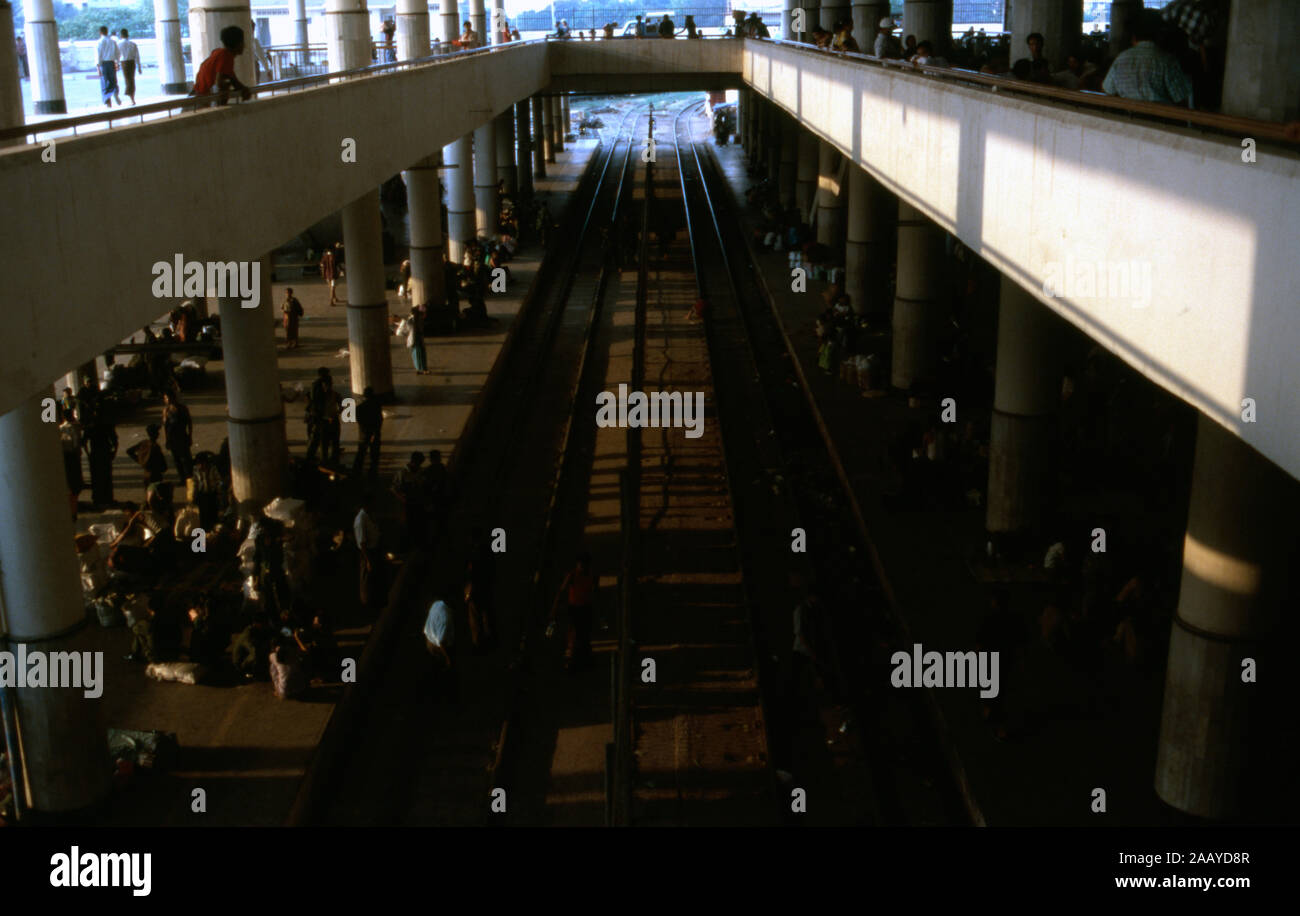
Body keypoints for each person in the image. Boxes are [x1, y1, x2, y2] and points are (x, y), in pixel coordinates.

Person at [1102, 12, 1194, 106]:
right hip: (1159, 119)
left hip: (1125, 117)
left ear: (1133, 37)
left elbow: (1108, 90)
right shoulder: (1167, 60)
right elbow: (1181, 98)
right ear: (1159, 34)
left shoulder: (1121, 58)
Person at [547, 552, 596, 672]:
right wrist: (555, 608)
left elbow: (595, 593)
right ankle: (571, 659)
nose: (582, 567)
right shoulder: (572, 575)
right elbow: (562, 592)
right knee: (572, 635)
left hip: (585, 609)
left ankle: (582, 660)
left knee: (583, 635)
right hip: (574, 609)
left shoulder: (591, 576)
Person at [190, 25, 252, 105]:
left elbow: (232, 79)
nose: (244, 45)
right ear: (238, 44)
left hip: (199, 95)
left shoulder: (219, 53)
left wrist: (243, 89)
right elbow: (220, 82)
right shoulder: (226, 56)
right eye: (243, 42)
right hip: (201, 99)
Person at [305, 367, 342, 465]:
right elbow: (315, 402)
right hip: (323, 419)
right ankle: (327, 459)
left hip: (324, 418)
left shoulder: (318, 386)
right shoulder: (320, 387)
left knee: (322, 440)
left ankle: (323, 459)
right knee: (324, 440)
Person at [391, 451, 427, 548]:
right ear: (413, 462)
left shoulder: (421, 472)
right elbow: (394, 489)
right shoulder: (402, 473)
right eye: (418, 463)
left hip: (418, 505)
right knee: (406, 526)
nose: (419, 466)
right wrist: (402, 498)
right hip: (406, 506)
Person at [354, 492, 383, 608]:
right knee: (366, 579)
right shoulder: (360, 519)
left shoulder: (369, 515)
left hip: (374, 550)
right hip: (367, 553)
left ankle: (373, 601)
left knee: (373, 579)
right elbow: (362, 542)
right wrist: (368, 560)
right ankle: (366, 604)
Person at [423, 598, 456, 696]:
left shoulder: (439, 604)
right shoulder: (445, 620)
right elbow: (441, 642)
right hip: (435, 645)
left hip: (429, 637)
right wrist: (448, 659)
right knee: (443, 668)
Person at [161, 391, 193, 483]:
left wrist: (190, 435)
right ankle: (182, 478)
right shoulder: (166, 411)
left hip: (182, 436)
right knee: (177, 460)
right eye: (165, 398)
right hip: (172, 438)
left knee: (186, 459)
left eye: (168, 398)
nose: (167, 400)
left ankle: (189, 477)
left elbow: (189, 423)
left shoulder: (182, 408)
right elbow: (165, 426)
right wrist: (166, 439)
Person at [353, 385, 383, 479]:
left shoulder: (359, 408)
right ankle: (373, 472)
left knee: (361, 453)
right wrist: (375, 432)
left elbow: (360, 422)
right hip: (375, 433)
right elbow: (380, 419)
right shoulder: (377, 405)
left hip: (364, 434)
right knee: (374, 455)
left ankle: (357, 471)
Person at [96, 26, 120, 108]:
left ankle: (108, 103)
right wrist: (117, 63)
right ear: (107, 32)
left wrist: (98, 68)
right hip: (112, 63)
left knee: (105, 82)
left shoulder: (99, 42)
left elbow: (98, 55)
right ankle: (115, 92)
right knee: (113, 81)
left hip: (103, 64)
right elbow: (118, 54)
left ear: (100, 32)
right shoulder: (112, 42)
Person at [117, 29, 141, 104]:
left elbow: (117, 55)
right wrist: (139, 67)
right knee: (131, 79)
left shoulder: (119, 44)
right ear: (128, 35)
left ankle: (131, 97)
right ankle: (132, 97)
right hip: (132, 62)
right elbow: (137, 56)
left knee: (127, 80)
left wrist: (117, 64)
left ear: (121, 36)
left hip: (124, 63)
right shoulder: (133, 44)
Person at [406, 305, 430, 375]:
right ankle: (421, 369)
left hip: (418, 338)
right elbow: (409, 327)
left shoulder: (417, 319)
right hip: (416, 339)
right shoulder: (413, 320)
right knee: (418, 353)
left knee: (418, 353)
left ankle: (420, 369)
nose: (425, 315)